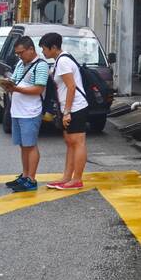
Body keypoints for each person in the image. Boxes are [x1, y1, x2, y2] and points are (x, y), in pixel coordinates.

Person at [39, 32, 90, 190]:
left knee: (77, 142)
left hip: (76, 107)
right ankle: (67, 177)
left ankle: (77, 179)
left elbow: (71, 87)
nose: (43, 52)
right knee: (69, 143)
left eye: (44, 49)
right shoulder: (61, 60)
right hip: (69, 107)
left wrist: (67, 111)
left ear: (54, 47)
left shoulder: (63, 62)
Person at [3, 36, 49, 192]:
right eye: (17, 54)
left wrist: (16, 89)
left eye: (21, 52)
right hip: (17, 110)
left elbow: (38, 89)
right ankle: (25, 175)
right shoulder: (21, 64)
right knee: (23, 146)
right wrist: (6, 83)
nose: (19, 56)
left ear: (31, 49)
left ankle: (32, 179)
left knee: (30, 145)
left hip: (30, 112)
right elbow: (14, 80)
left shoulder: (41, 66)